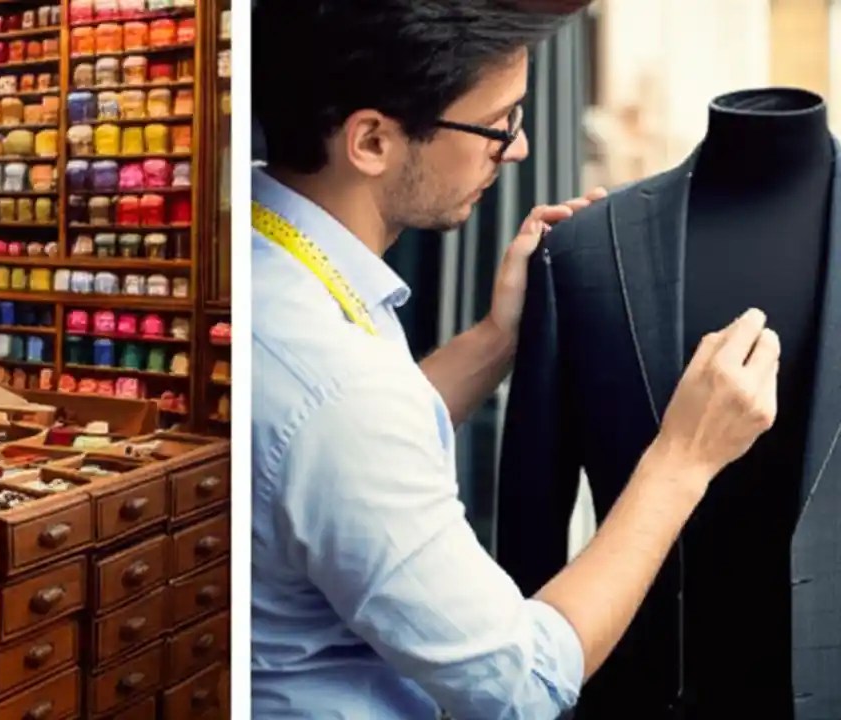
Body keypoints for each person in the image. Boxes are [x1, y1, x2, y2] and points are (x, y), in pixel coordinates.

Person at [250, 1, 781, 718]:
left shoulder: (272, 260)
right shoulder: (339, 387)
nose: (520, 149)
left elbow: (321, 471)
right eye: (499, 125)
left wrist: (496, 340)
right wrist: (684, 457)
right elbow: (519, 686)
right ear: (372, 140)